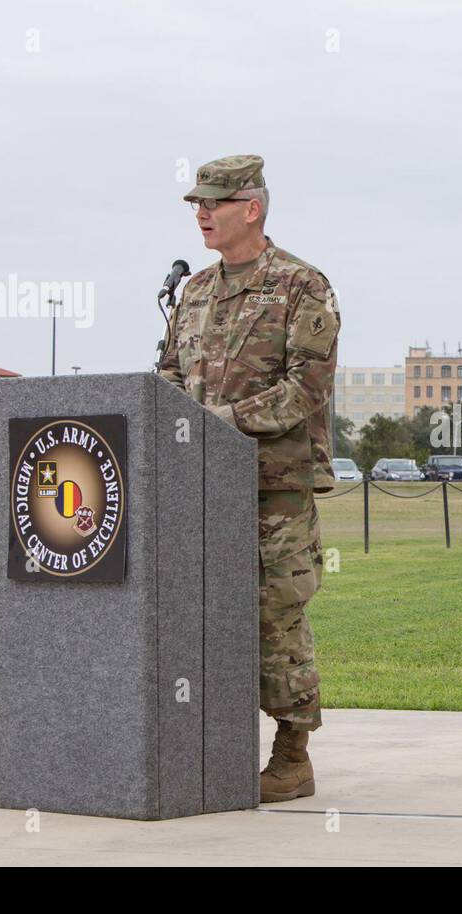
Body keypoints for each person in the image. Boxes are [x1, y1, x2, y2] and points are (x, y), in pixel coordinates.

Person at [157, 154, 340, 802]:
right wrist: (174, 417)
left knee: (275, 616)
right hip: (204, 487)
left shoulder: (301, 286)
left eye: (214, 202)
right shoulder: (198, 291)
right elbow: (173, 374)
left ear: (252, 208)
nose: (202, 213)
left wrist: (221, 420)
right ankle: (209, 745)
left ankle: (292, 756)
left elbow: (306, 391)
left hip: (274, 489)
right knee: (203, 616)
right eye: (197, 204)